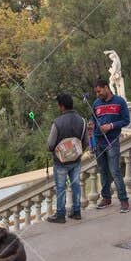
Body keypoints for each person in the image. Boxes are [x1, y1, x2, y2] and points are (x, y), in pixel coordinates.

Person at [90, 78, 131, 213]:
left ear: (106, 87)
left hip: (112, 141)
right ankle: (106, 198)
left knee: (115, 171)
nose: (98, 94)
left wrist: (111, 126)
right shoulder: (96, 103)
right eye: (96, 92)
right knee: (103, 171)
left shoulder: (120, 102)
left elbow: (126, 120)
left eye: (99, 91)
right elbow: (93, 119)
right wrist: (92, 125)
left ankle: (124, 200)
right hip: (98, 140)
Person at [46, 93, 86, 223]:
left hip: (61, 162)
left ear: (62, 106)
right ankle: (76, 212)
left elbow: (50, 144)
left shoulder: (57, 122)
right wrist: (77, 152)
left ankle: (60, 215)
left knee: (61, 188)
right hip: (76, 160)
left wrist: (54, 150)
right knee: (75, 185)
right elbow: (86, 142)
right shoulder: (82, 120)